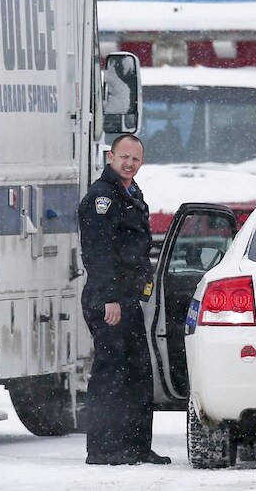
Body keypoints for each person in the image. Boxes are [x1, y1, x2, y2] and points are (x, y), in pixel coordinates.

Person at [77, 134, 171, 466]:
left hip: (128, 299)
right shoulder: (102, 197)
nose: (129, 164)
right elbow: (98, 252)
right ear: (110, 156)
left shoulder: (131, 194)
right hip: (110, 301)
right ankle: (103, 449)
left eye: (136, 159)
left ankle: (136, 446)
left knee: (137, 374)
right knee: (110, 375)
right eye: (124, 157)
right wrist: (109, 299)